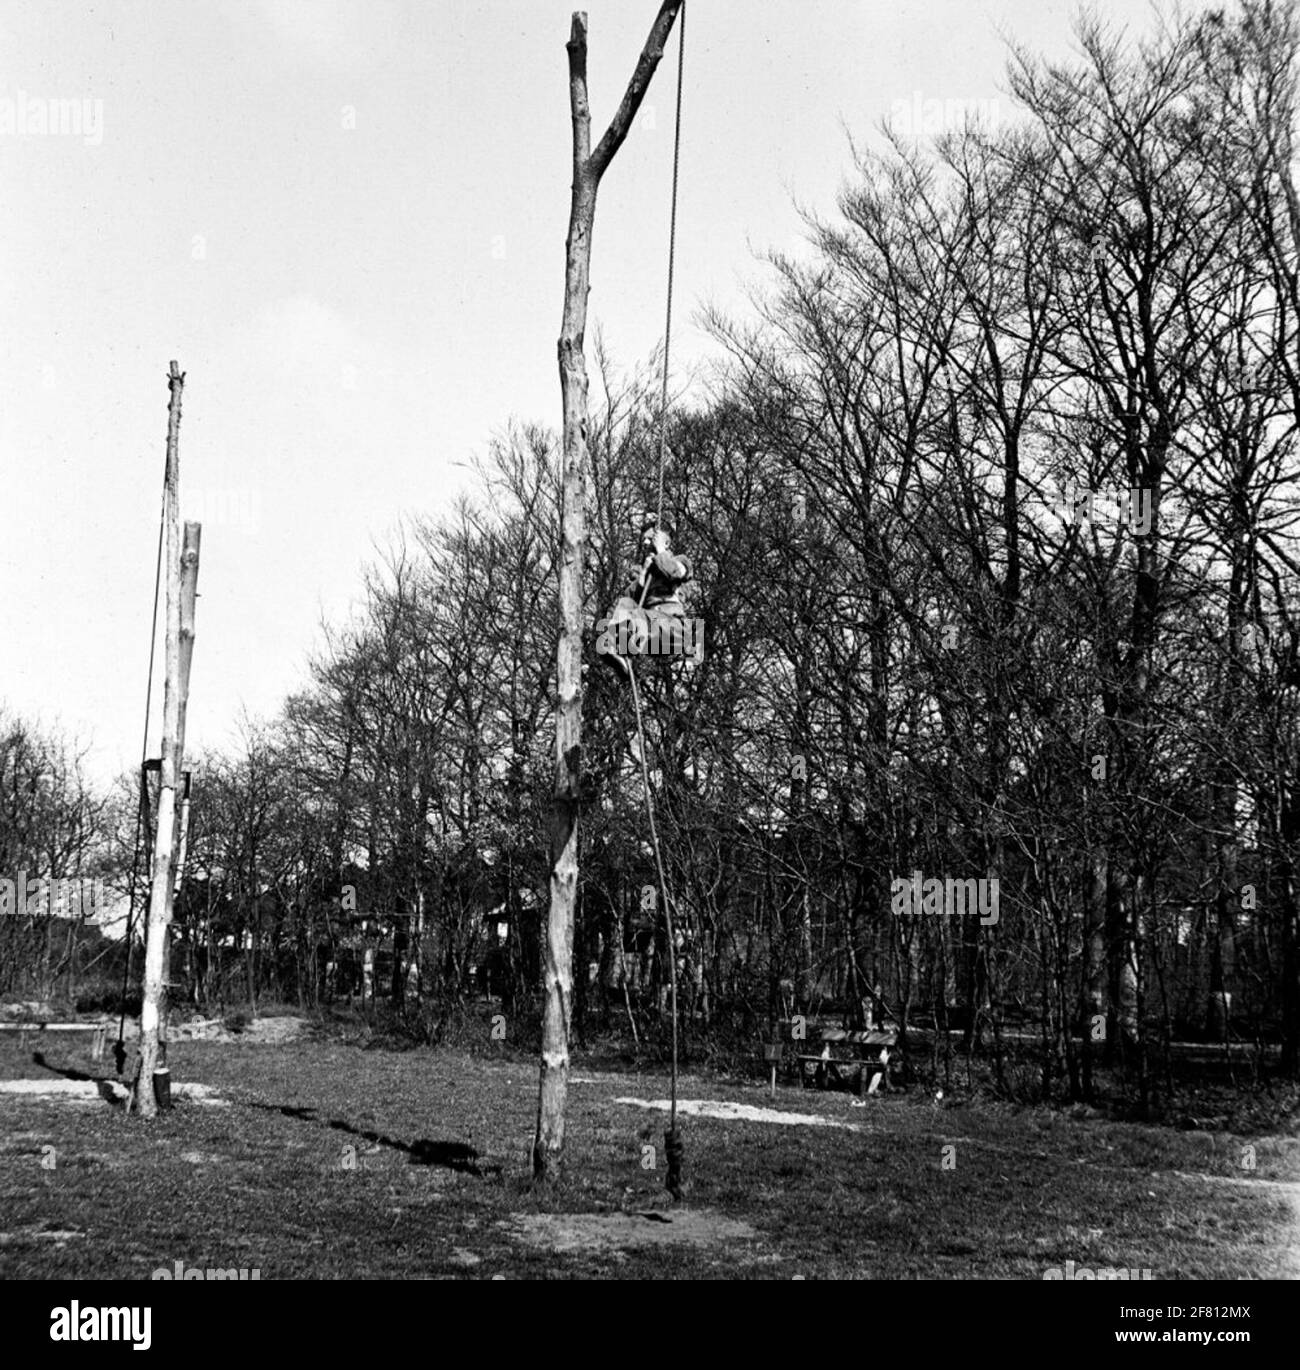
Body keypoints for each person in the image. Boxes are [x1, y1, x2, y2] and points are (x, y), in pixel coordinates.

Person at [596, 513, 693, 677]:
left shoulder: (681, 561)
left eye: (651, 539)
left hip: (673, 629)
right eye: (644, 540)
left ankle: (620, 648)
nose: (646, 543)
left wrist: (660, 551)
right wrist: (644, 575)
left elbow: (675, 572)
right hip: (653, 634)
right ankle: (619, 655)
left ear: (665, 541)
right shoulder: (645, 573)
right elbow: (629, 601)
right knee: (625, 605)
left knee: (633, 613)